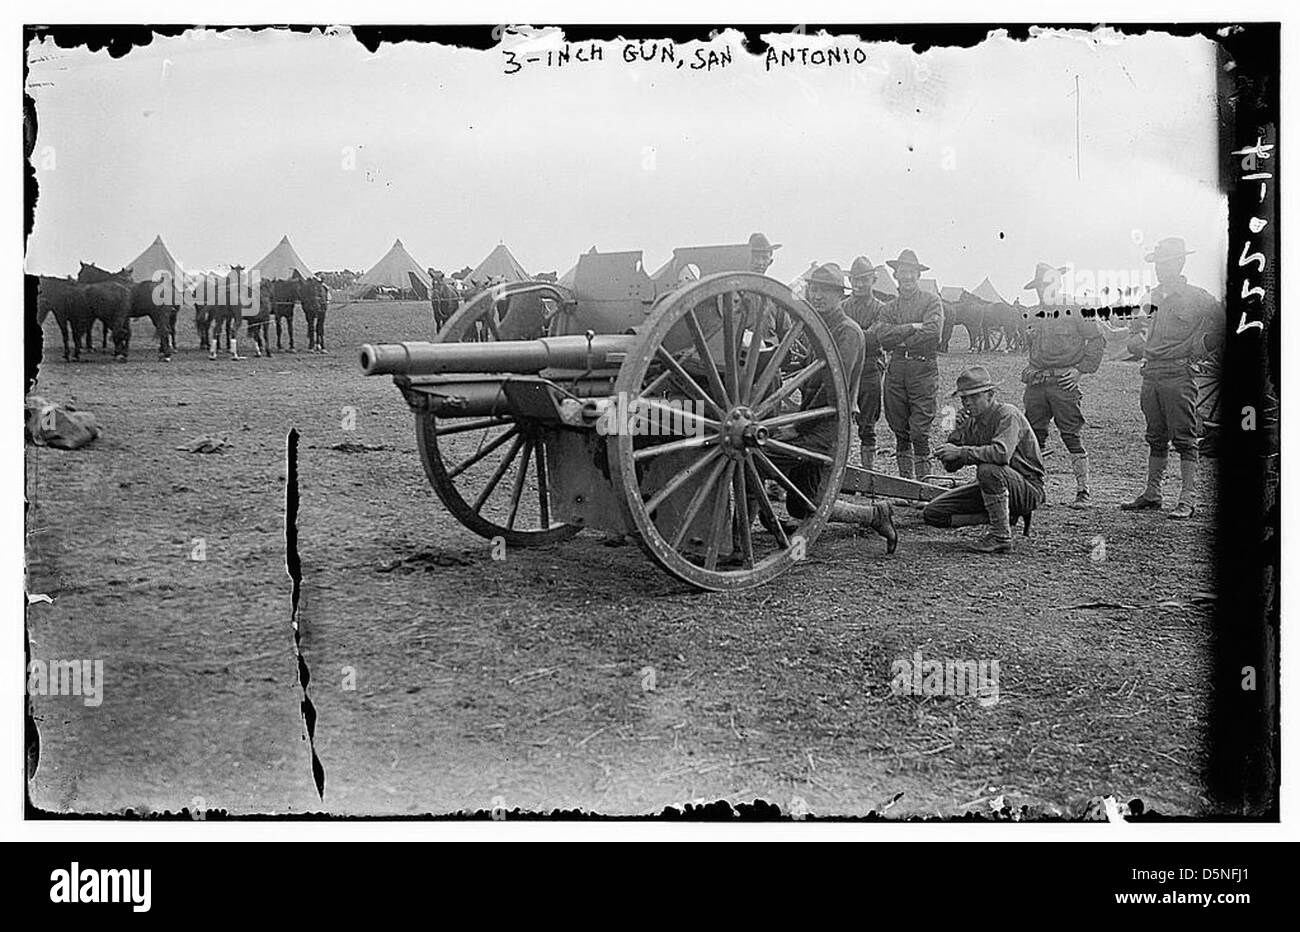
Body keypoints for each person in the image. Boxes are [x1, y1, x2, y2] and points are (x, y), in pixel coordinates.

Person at [761, 263, 896, 552]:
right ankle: (874, 514)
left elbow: (833, 388)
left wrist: (794, 427)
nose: (817, 295)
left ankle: (739, 537)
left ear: (838, 295)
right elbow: (807, 372)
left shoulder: (847, 332)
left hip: (828, 428)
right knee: (804, 505)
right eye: (814, 289)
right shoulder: (819, 327)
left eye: (825, 290)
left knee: (758, 456)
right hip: (811, 419)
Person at [1120, 237, 1225, 519]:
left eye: (1165, 263)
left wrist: (1201, 347)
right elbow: (1135, 326)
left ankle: (1187, 500)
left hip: (1179, 375)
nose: (1159, 269)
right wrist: (1136, 340)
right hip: (1151, 374)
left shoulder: (1197, 297)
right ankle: (1153, 494)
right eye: (1157, 264)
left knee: (1185, 439)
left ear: (1179, 263)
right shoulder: (1151, 297)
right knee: (1155, 436)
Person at [924, 367, 1046, 554]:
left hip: (1026, 488)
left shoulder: (1007, 414)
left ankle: (1000, 536)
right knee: (934, 513)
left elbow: (1001, 454)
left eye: (974, 397)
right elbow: (951, 466)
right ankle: (1003, 515)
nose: (968, 403)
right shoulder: (972, 421)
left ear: (990, 395)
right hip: (992, 487)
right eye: (964, 399)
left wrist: (960, 451)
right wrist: (957, 433)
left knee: (988, 470)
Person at [1021, 262, 1105, 507]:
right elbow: (1032, 347)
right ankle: (1036, 489)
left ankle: (1083, 491)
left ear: (1058, 284)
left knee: (1071, 434)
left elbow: (1097, 341)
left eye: (1048, 285)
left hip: (1064, 385)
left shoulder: (1076, 311)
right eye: (1039, 287)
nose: (1043, 291)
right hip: (1037, 383)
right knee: (1034, 436)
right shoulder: (1032, 313)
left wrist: (1079, 371)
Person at [870, 249, 944, 479]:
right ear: (896, 275)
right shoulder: (889, 307)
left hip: (923, 369)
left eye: (912, 272)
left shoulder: (932, 301)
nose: (907, 277)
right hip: (897, 369)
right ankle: (905, 483)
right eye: (903, 272)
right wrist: (912, 326)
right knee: (899, 429)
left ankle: (923, 484)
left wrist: (899, 337)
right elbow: (882, 335)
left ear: (918, 275)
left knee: (920, 431)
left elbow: (934, 332)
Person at [841, 256, 888, 469]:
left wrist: (851, 334)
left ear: (873, 280)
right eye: (855, 280)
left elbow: (875, 337)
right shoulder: (842, 306)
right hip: (844, 369)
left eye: (864, 280)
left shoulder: (882, 309)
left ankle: (868, 474)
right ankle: (842, 471)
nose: (859, 285)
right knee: (840, 421)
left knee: (867, 426)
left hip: (869, 368)